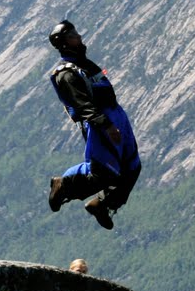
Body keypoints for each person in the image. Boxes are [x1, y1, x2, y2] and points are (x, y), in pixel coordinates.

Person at [45, 20, 141, 230]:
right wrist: (106, 125)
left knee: (132, 167)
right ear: (63, 43)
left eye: (77, 32)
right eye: (73, 35)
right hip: (100, 123)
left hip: (117, 116)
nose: (79, 37)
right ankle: (64, 184)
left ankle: (103, 205)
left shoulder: (85, 65)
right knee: (103, 173)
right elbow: (82, 105)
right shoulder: (66, 73)